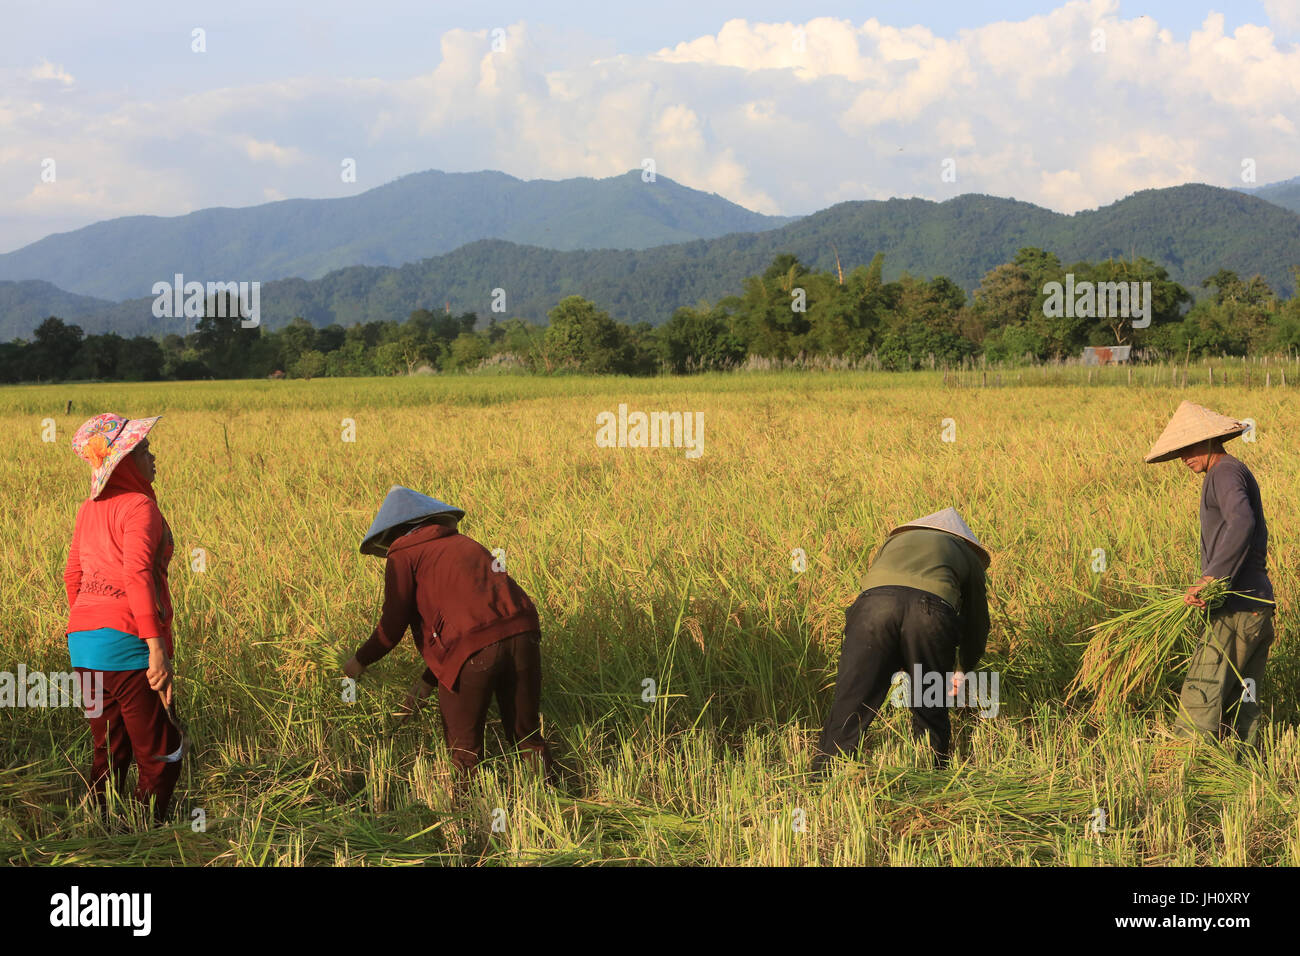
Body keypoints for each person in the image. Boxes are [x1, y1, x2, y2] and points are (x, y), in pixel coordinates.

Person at [344, 485, 554, 781]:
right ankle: (553, 801)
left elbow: (393, 626)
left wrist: (358, 662)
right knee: (527, 738)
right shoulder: (465, 544)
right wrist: (429, 680)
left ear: (392, 533)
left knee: (464, 754)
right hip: (524, 632)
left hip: (472, 651)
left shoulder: (402, 555)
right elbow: (476, 619)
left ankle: (467, 822)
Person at [65, 413, 183, 824]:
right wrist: (155, 648)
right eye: (146, 451)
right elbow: (136, 576)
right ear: (127, 462)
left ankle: (99, 824)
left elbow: (72, 576)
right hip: (127, 641)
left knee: (109, 746)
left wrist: (88, 624)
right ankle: (145, 830)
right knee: (162, 751)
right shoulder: (140, 507)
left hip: (82, 641)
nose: (155, 458)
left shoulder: (88, 509)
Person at [812, 507, 991, 773]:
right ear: (964, 539)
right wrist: (964, 668)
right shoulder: (966, 554)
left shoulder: (894, 542)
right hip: (930, 614)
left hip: (872, 609)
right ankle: (932, 777)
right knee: (929, 701)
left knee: (851, 700)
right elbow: (977, 621)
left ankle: (824, 776)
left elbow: (888, 590)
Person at [1144, 401, 1275, 748]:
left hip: (1237, 606)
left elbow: (1242, 521)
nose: (1184, 457)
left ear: (1210, 441)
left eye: (1188, 447)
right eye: (1179, 451)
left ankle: (1187, 769)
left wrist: (1212, 577)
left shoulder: (1224, 472)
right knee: (1241, 697)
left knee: (1203, 691)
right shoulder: (1232, 469)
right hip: (1257, 607)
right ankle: (1243, 774)